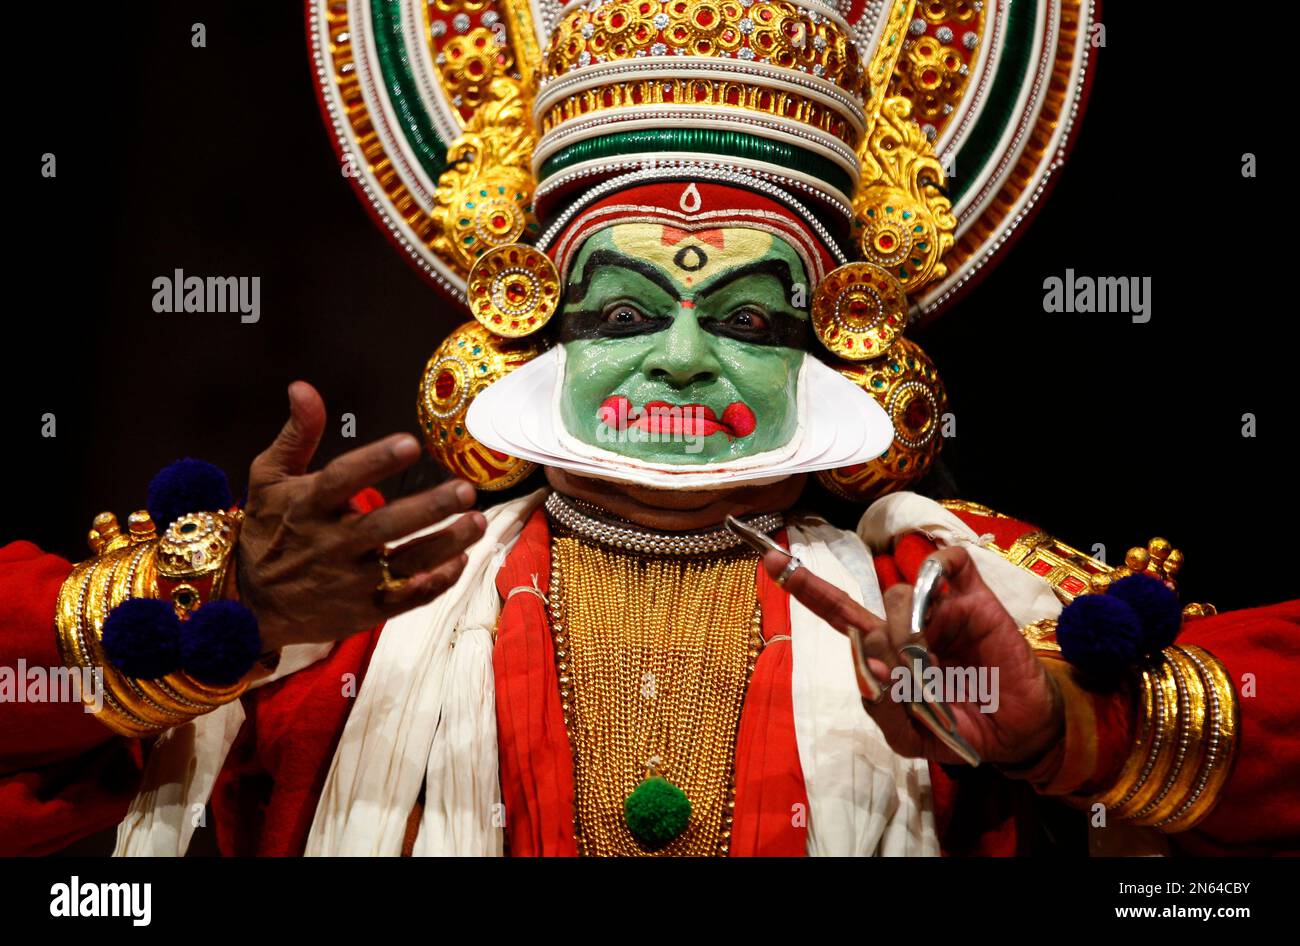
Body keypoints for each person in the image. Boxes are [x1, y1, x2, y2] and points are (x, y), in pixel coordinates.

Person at [2, 0, 1296, 857]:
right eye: (623, 309)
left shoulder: (963, 609)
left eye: (748, 317)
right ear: (534, 322)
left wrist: (1060, 730)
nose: (682, 358)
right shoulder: (340, 605)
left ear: (838, 340)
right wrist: (219, 607)